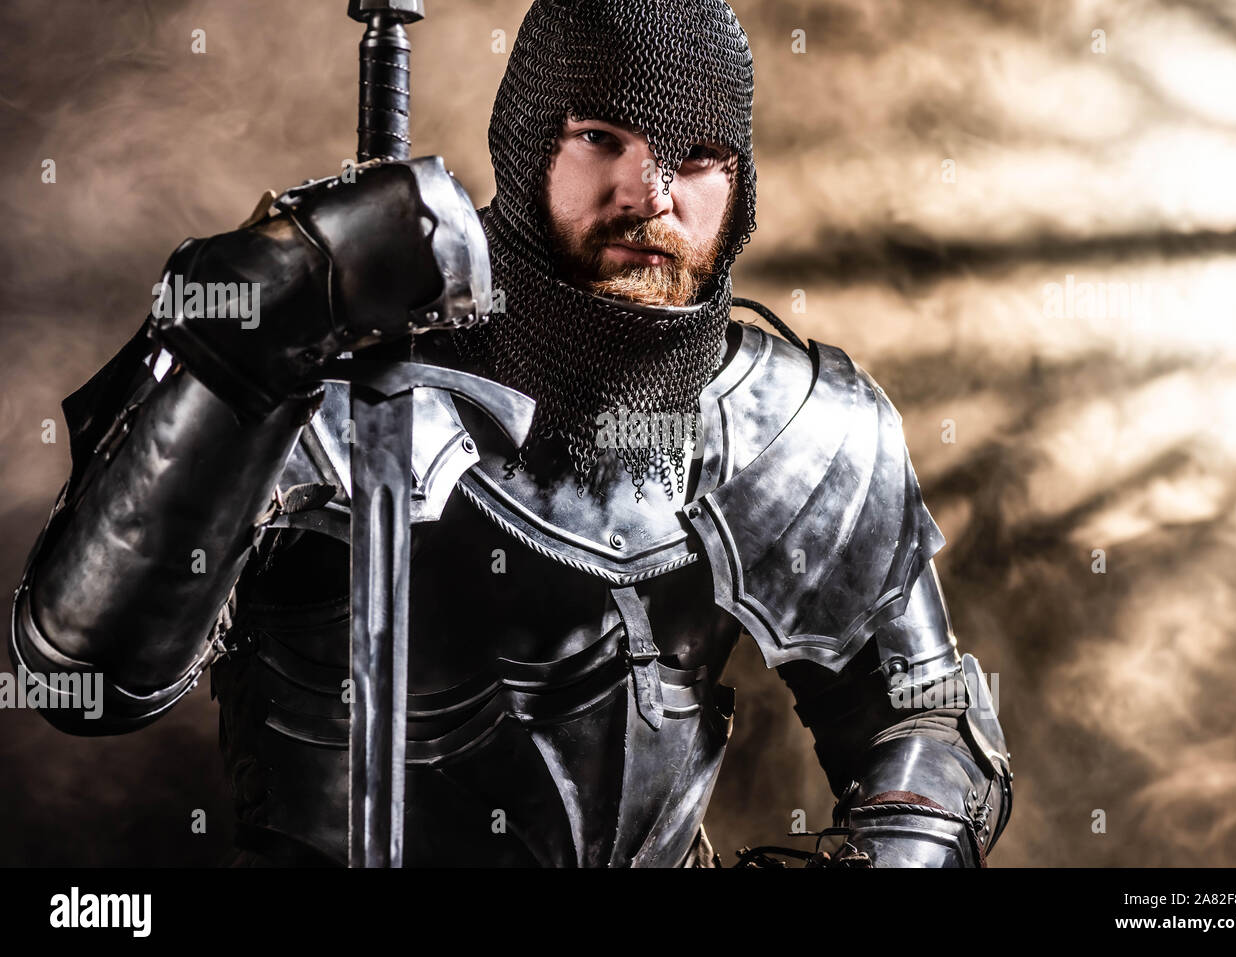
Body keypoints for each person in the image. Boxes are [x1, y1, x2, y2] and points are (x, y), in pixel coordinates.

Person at [9, 0, 1011, 867]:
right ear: (530, 144)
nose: (649, 195)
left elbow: (921, 715)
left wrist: (901, 846)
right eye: (602, 139)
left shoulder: (798, 420)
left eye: (695, 157)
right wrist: (259, 342)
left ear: (740, 184)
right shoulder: (334, 360)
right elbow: (81, 678)